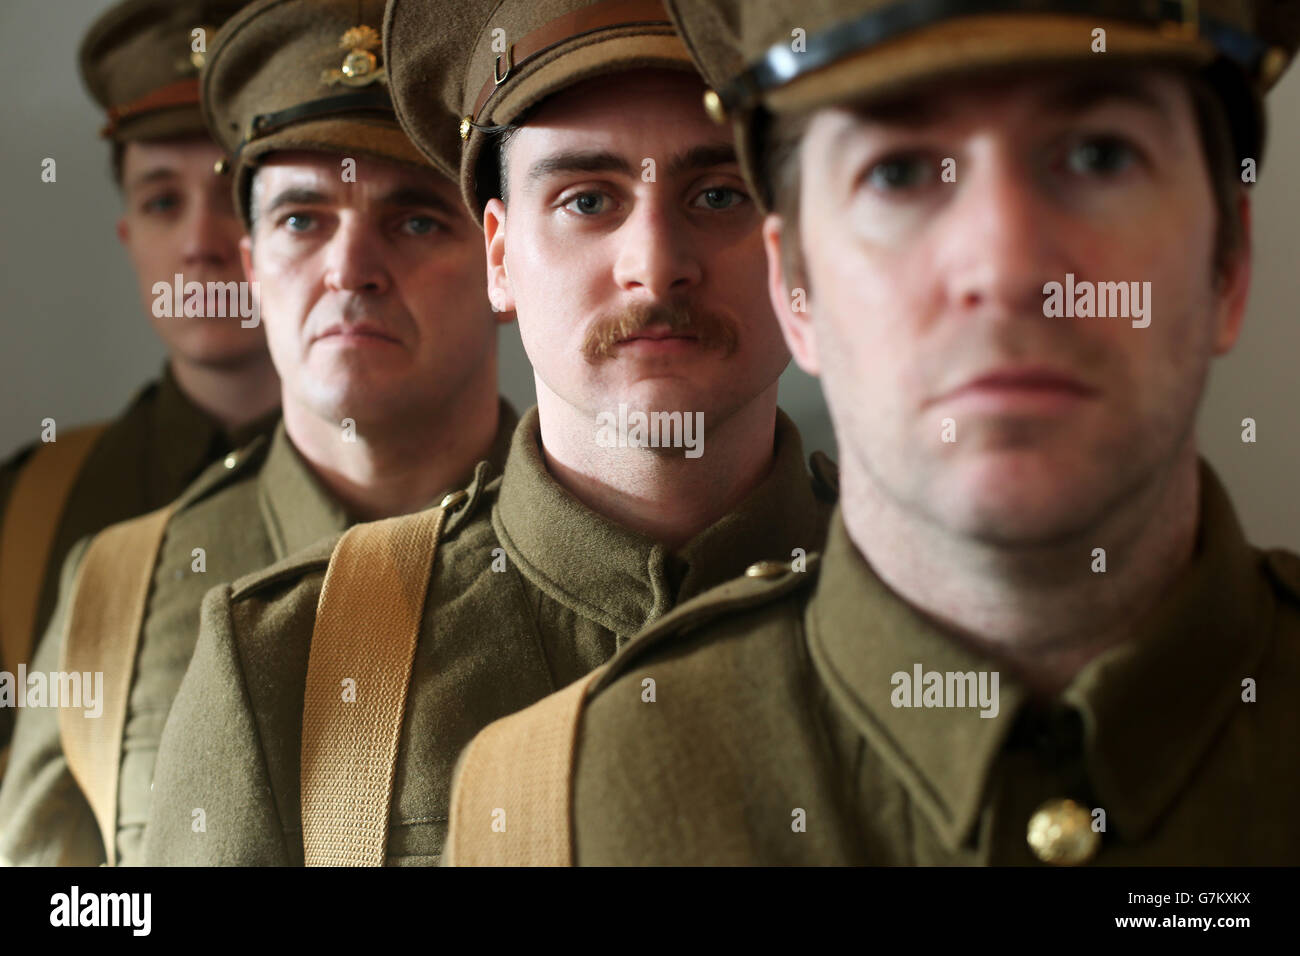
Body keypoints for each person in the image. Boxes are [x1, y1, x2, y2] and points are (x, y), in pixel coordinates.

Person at [445, 0, 1300, 865]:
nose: (1001, 266)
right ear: (796, 289)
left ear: (1228, 262)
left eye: (1098, 156)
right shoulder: (560, 812)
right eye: (898, 173)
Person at [142, 0, 836, 866]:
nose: (656, 264)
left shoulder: (948, 623)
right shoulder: (291, 665)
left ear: (798, 246)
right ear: (498, 258)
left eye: (719, 193)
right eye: (588, 199)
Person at [0, 0, 515, 866]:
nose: (349, 268)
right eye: (302, 220)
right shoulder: (114, 594)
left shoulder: (611, 559)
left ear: (504, 263)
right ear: (252, 265)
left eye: (416, 219)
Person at [0, 0, 278, 767]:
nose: (199, 243)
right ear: (130, 238)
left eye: (236, 194)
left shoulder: (427, 486)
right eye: (162, 200)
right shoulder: (28, 509)